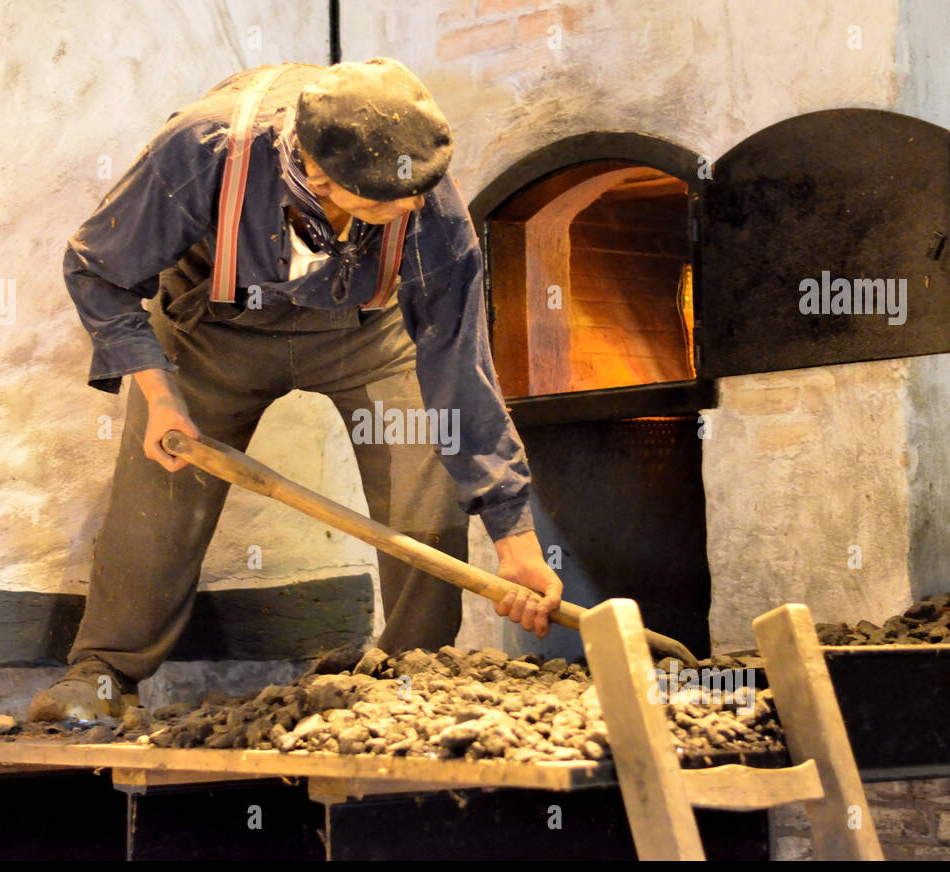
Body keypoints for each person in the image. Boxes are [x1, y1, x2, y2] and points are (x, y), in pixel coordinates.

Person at [29, 58, 562, 722]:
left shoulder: (424, 198)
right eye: (391, 200)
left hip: (365, 325)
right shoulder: (203, 149)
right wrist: (158, 393)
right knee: (157, 492)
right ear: (318, 175)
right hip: (214, 324)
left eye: (421, 191)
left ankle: (411, 672)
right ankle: (104, 674)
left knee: (421, 458)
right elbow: (95, 267)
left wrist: (516, 540)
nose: (416, 206)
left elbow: (461, 364)